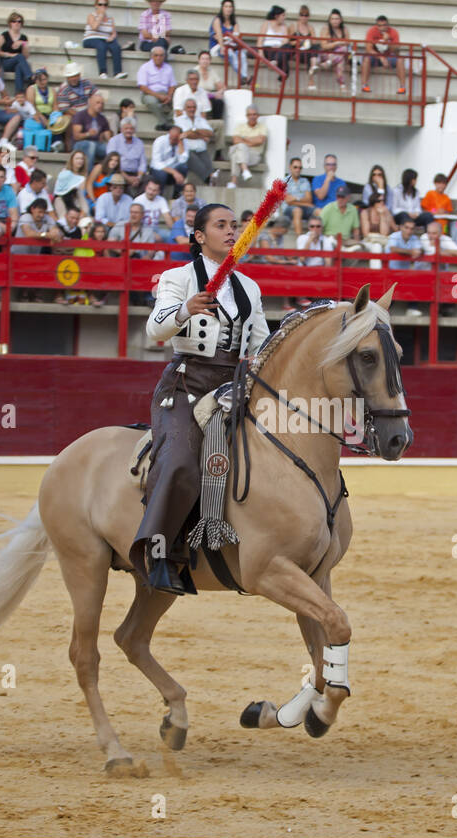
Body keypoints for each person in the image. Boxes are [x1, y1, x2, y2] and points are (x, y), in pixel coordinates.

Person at [132, 203, 269, 593]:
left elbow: (259, 341)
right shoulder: (178, 278)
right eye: (221, 225)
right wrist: (184, 310)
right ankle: (160, 552)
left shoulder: (249, 287)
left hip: (234, 386)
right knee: (179, 461)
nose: (231, 232)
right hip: (187, 385)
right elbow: (154, 330)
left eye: (234, 226)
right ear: (199, 236)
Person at [360, 14, 406, 95]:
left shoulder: (393, 32)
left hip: (389, 57)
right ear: (376, 26)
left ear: (388, 25)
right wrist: (381, 57)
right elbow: (368, 49)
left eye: (384, 25)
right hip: (375, 57)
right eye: (379, 26)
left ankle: (402, 87)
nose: (382, 28)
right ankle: (364, 85)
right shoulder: (371, 31)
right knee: (366, 59)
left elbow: (396, 50)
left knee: (400, 60)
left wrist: (388, 42)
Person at [82, 0, 126, 80]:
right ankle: (102, 72)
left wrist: (112, 37)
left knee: (116, 47)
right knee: (101, 46)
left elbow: (114, 32)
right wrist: (100, 16)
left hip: (105, 39)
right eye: (100, 4)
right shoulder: (91, 15)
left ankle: (118, 72)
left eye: (105, 5)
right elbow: (94, 27)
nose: (103, 7)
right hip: (91, 38)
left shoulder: (110, 18)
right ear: (96, 5)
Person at [137, 45, 176, 131]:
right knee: (151, 101)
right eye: (156, 55)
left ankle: (168, 121)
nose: (159, 57)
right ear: (152, 56)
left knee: (179, 100)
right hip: (149, 93)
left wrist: (169, 96)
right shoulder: (145, 67)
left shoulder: (168, 68)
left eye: (161, 55)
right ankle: (163, 122)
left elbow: (172, 85)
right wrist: (158, 96)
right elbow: (142, 87)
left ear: (164, 56)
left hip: (165, 93)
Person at [209, 0, 247, 85]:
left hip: (231, 45)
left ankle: (244, 76)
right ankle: (242, 76)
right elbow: (218, 36)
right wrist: (223, 46)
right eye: (226, 6)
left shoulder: (234, 21)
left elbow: (236, 36)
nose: (228, 9)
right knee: (229, 53)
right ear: (222, 8)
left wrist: (227, 38)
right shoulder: (217, 20)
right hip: (218, 46)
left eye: (230, 7)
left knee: (242, 54)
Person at [227, 105, 265, 187]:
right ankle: (245, 170)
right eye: (250, 114)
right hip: (243, 153)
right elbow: (235, 140)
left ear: (258, 115)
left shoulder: (262, 127)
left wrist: (244, 139)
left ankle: (233, 182)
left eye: (254, 114)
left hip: (254, 155)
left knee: (236, 155)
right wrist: (252, 141)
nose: (252, 117)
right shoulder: (240, 126)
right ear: (246, 116)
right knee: (241, 147)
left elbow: (260, 140)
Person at [313, 7, 349, 92]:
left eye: (337, 19)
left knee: (343, 53)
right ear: (329, 20)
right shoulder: (325, 29)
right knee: (341, 56)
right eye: (333, 19)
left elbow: (347, 43)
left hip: (338, 56)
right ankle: (342, 85)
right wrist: (337, 43)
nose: (335, 21)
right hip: (325, 55)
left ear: (340, 20)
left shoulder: (344, 30)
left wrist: (333, 44)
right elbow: (324, 46)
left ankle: (330, 63)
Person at [0, 11, 33, 95]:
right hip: (5, 62)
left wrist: (23, 44)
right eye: (14, 21)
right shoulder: (4, 35)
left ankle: (18, 92)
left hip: (16, 64)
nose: (17, 23)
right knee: (19, 57)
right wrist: (11, 55)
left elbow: (26, 56)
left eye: (19, 21)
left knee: (19, 66)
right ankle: (30, 78)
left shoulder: (23, 37)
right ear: (10, 23)